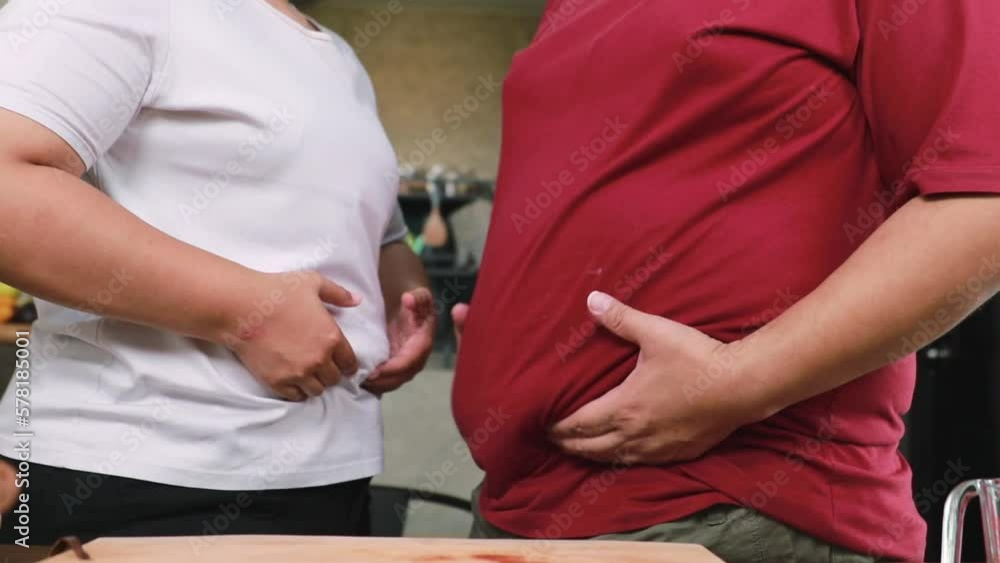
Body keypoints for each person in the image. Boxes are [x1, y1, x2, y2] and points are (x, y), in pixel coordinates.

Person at [451, 1, 1000, 561]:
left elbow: (982, 211)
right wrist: (520, 327)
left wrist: (734, 382)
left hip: (731, 513)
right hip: (515, 512)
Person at [0, 0, 434, 544]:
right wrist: (244, 314)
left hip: (329, 477)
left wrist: (401, 299)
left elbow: (380, 232)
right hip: (138, 476)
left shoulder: (338, 55)